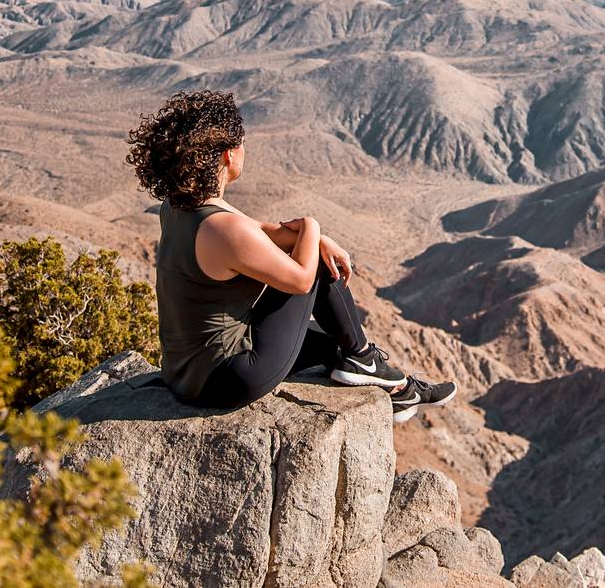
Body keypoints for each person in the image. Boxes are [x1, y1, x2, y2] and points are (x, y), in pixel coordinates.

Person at [125, 89, 454, 422]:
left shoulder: (181, 207)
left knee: (335, 341)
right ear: (227, 155)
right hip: (227, 377)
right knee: (319, 270)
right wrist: (312, 227)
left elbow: (260, 232)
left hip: (187, 372)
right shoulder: (222, 229)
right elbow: (300, 279)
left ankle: (397, 388)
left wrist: (316, 238)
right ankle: (365, 361)